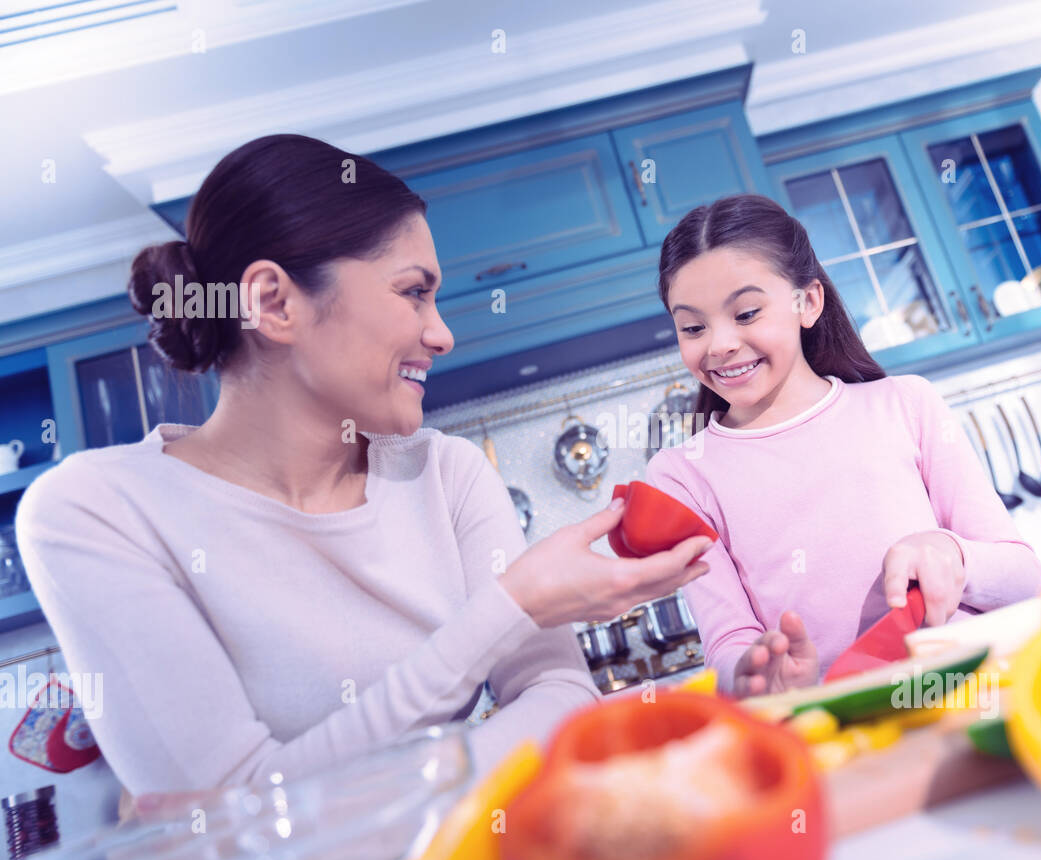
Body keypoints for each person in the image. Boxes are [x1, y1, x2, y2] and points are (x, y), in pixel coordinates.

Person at [15, 134, 713, 814]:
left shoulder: (449, 475)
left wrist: (357, 799)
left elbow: (561, 697)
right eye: (413, 292)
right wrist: (508, 608)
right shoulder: (93, 508)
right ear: (274, 303)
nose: (442, 334)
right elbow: (222, 823)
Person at [644, 194, 1041, 698]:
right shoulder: (682, 475)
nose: (719, 343)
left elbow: (1025, 578)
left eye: (746, 313)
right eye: (693, 327)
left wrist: (951, 554)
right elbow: (727, 643)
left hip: (968, 692)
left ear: (808, 302)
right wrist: (754, 671)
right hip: (834, 720)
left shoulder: (905, 404)